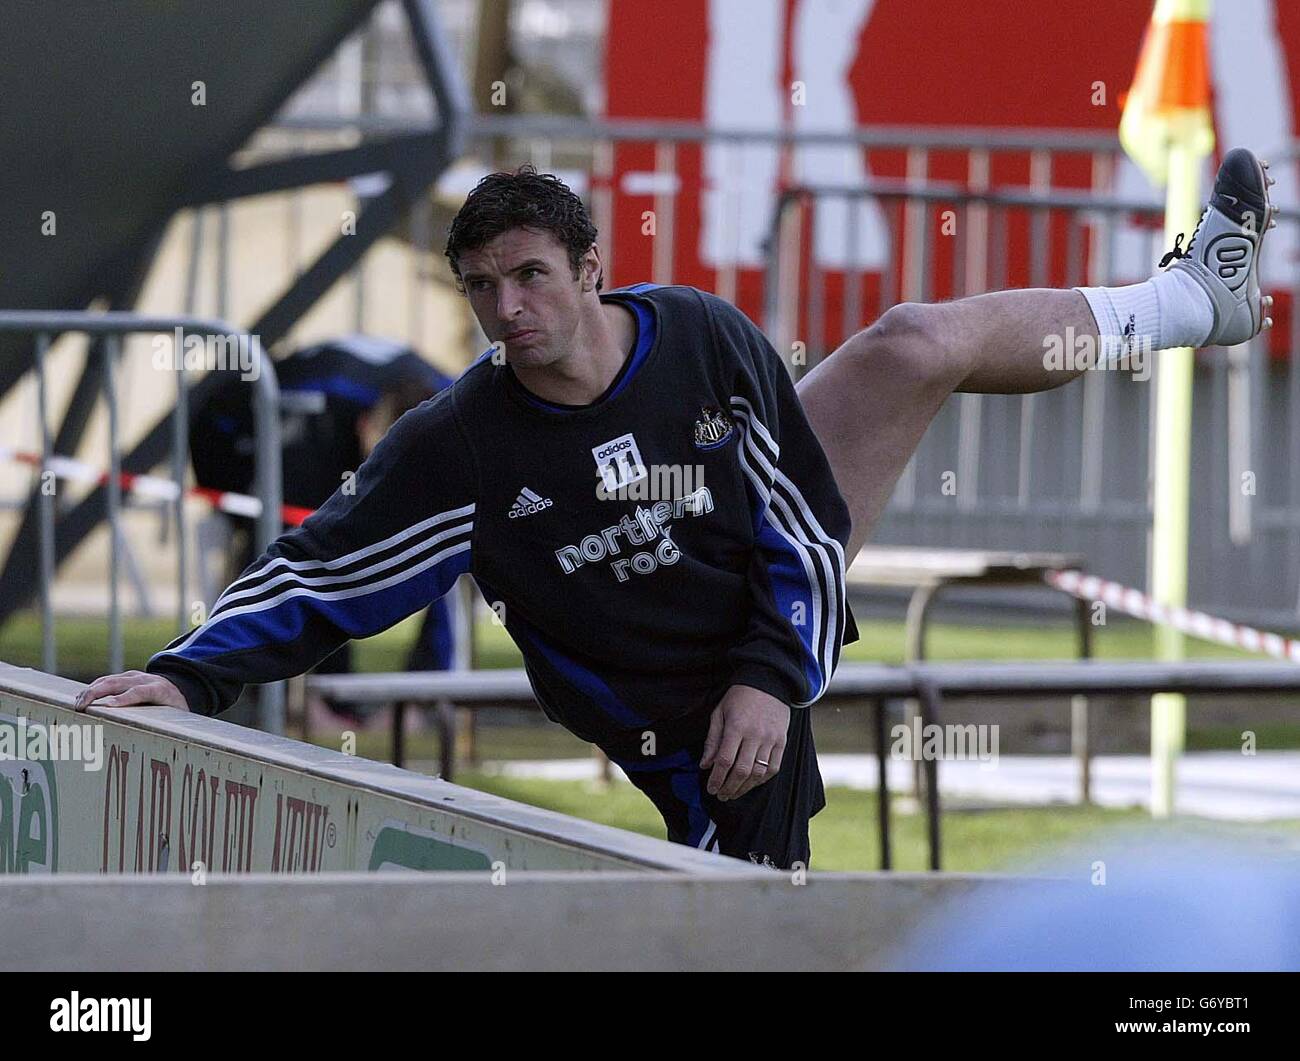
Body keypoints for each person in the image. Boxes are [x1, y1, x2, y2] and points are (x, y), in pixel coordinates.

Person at [77, 151, 1276, 868]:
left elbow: (804, 523)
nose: (507, 310)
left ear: (591, 268)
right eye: (481, 288)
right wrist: (187, 674)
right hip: (676, 721)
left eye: (530, 276)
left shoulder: (699, 337)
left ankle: (1190, 301)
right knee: (741, 908)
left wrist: (773, 667)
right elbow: (323, 572)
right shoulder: (459, 443)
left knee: (912, 341)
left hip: (760, 609)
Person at [187, 337, 457, 726]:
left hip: (331, 411)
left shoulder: (457, 406)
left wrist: (424, 697)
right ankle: (299, 696)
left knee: (445, 543)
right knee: (299, 546)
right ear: (367, 429)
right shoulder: (316, 422)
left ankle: (422, 698)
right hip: (232, 434)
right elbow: (307, 559)